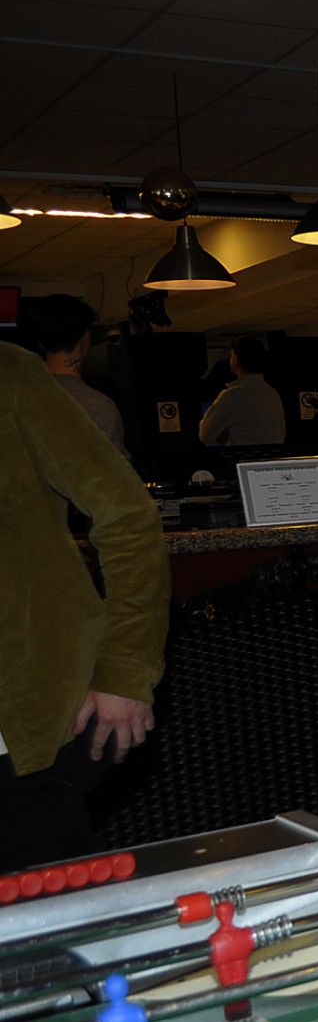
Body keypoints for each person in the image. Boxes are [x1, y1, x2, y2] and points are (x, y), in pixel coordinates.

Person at [0, 342, 170, 869]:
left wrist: (123, 669)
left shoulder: (9, 375)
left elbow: (127, 516)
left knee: (43, 934)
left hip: (20, 734)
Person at [21, 293, 125, 456]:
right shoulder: (98, 407)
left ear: (41, 342)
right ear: (85, 338)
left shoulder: (17, 400)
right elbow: (114, 476)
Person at [198, 336, 284, 446]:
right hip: (271, 459)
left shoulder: (231, 396)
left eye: (232, 355)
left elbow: (205, 435)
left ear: (236, 360)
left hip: (241, 458)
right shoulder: (272, 394)